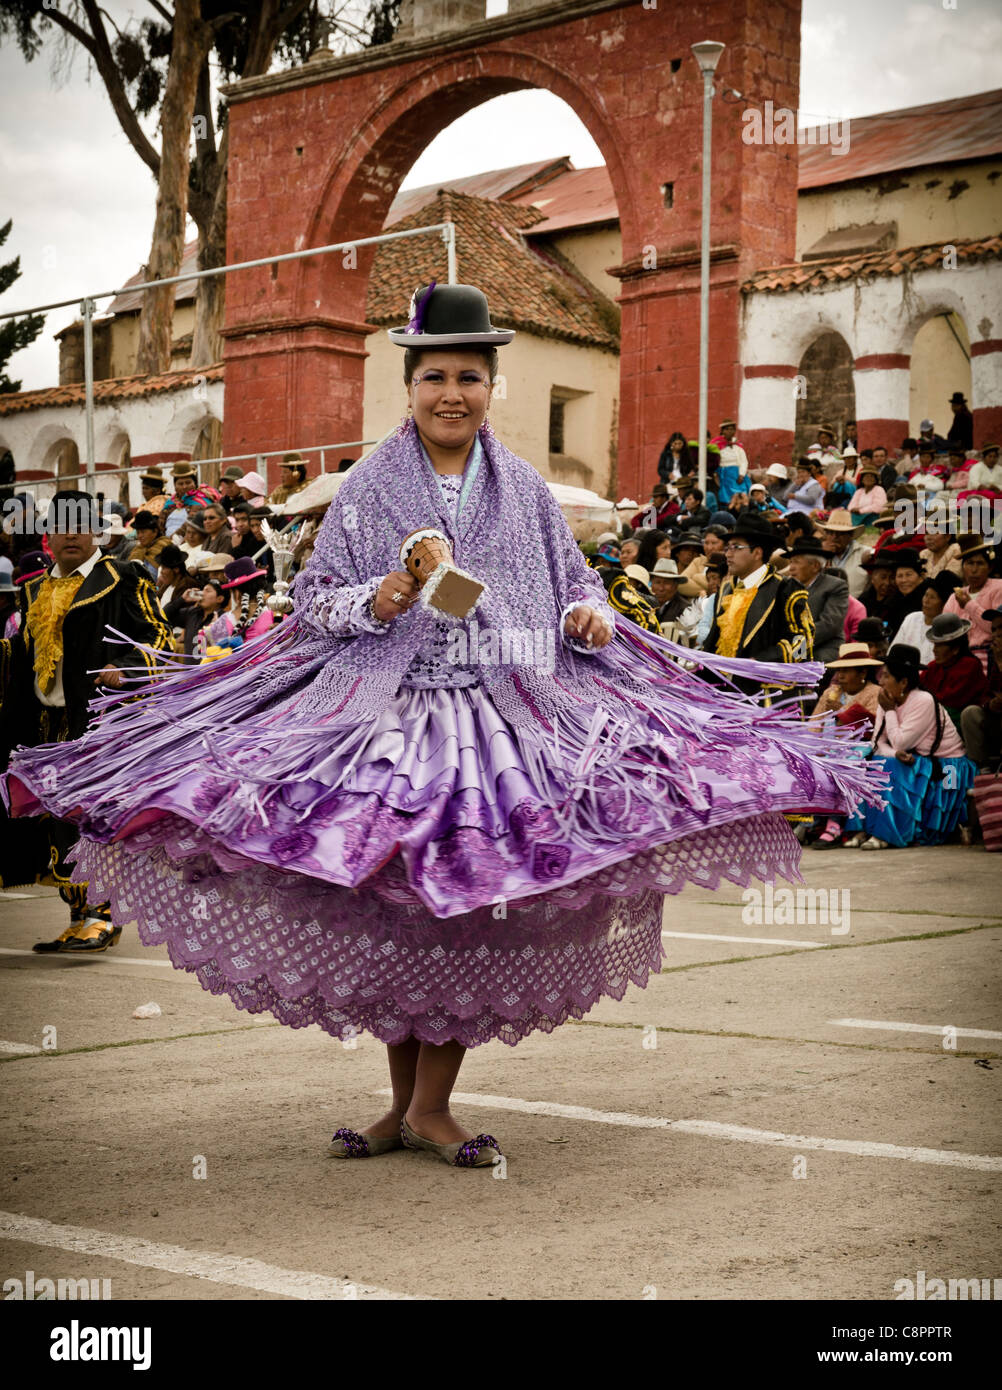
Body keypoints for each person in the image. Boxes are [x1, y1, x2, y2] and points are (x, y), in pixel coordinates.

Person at [2, 283, 878, 1169]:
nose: (451, 392)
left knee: (470, 909)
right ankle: (401, 1104)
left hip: (506, 718)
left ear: (491, 385)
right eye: (434, 377)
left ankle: (431, 1105)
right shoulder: (369, 488)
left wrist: (591, 618)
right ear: (409, 383)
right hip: (384, 717)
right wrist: (385, 595)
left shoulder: (530, 491)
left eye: (468, 375)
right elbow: (315, 603)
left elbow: (576, 584)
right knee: (397, 912)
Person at [0, 491, 172, 948]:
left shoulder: (123, 576)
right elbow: (22, 652)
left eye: (80, 525)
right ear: (48, 535)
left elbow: (156, 635)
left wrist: (128, 668)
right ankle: (81, 914)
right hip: (44, 725)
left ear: (95, 530)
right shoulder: (33, 587)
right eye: (61, 526)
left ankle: (102, 914)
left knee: (89, 820)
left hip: (98, 724)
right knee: (53, 823)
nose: (71, 535)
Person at [844, 644, 974, 850]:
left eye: (886, 676)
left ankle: (886, 833)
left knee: (890, 766)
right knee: (874, 762)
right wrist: (894, 753)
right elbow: (879, 743)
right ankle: (865, 829)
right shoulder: (887, 698)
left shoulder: (922, 701)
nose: (881, 681)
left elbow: (900, 741)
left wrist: (890, 712)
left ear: (903, 681)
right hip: (915, 758)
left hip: (947, 765)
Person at [703, 514, 815, 697]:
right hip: (724, 696)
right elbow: (713, 644)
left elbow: (803, 645)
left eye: (736, 547)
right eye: (728, 547)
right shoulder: (726, 590)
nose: (728, 554)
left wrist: (758, 663)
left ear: (757, 553)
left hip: (768, 698)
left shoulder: (785, 590)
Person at [808, 642, 884, 850]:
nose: (840, 675)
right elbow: (815, 723)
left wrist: (843, 710)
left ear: (863, 672)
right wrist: (811, 747)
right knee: (809, 763)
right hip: (829, 746)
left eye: (846, 670)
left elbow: (873, 727)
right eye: (839, 670)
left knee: (840, 768)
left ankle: (834, 824)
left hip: (859, 749)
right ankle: (814, 821)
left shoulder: (875, 693)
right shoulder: (830, 692)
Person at [785, 537, 849, 664]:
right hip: (791, 647)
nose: (791, 568)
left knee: (806, 664)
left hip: (823, 648)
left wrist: (798, 647)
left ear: (815, 566)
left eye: (796, 562)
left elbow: (829, 625)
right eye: (790, 562)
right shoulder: (786, 586)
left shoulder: (835, 586)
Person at [945, 535, 1002, 673]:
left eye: (980, 563)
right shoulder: (954, 597)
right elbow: (945, 633)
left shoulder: (999, 588)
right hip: (957, 658)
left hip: (989, 655)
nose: (974, 569)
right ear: (963, 567)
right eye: (970, 563)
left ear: (990, 568)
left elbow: (994, 627)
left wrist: (968, 605)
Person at [920, 614, 988, 731]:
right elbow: (918, 688)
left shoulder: (970, 666)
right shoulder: (933, 667)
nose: (934, 650)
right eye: (934, 644)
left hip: (958, 724)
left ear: (955, 649)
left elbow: (952, 700)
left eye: (940, 645)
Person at [960, 608, 1002, 771]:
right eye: (994, 629)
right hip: (996, 717)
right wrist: (990, 704)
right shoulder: (994, 654)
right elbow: (986, 692)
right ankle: (980, 768)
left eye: (1001, 628)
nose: (997, 634)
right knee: (970, 713)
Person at [890, 571, 958, 665]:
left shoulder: (946, 628)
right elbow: (893, 651)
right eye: (926, 595)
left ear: (944, 604)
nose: (926, 601)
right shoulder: (912, 618)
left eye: (932, 597)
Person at [710, 421, 750, 505]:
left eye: (732, 429)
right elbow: (713, 460)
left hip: (737, 474)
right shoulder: (716, 444)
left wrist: (741, 475)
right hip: (723, 473)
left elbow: (743, 461)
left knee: (742, 493)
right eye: (727, 429)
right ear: (722, 431)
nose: (729, 432)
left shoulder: (737, 446)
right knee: (726, 495)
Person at [127, 510, 170, 576]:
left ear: (155, 531)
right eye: (138, 532)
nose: (140, 536)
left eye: (143, 532)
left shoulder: (164, 547)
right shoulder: (137, 550)